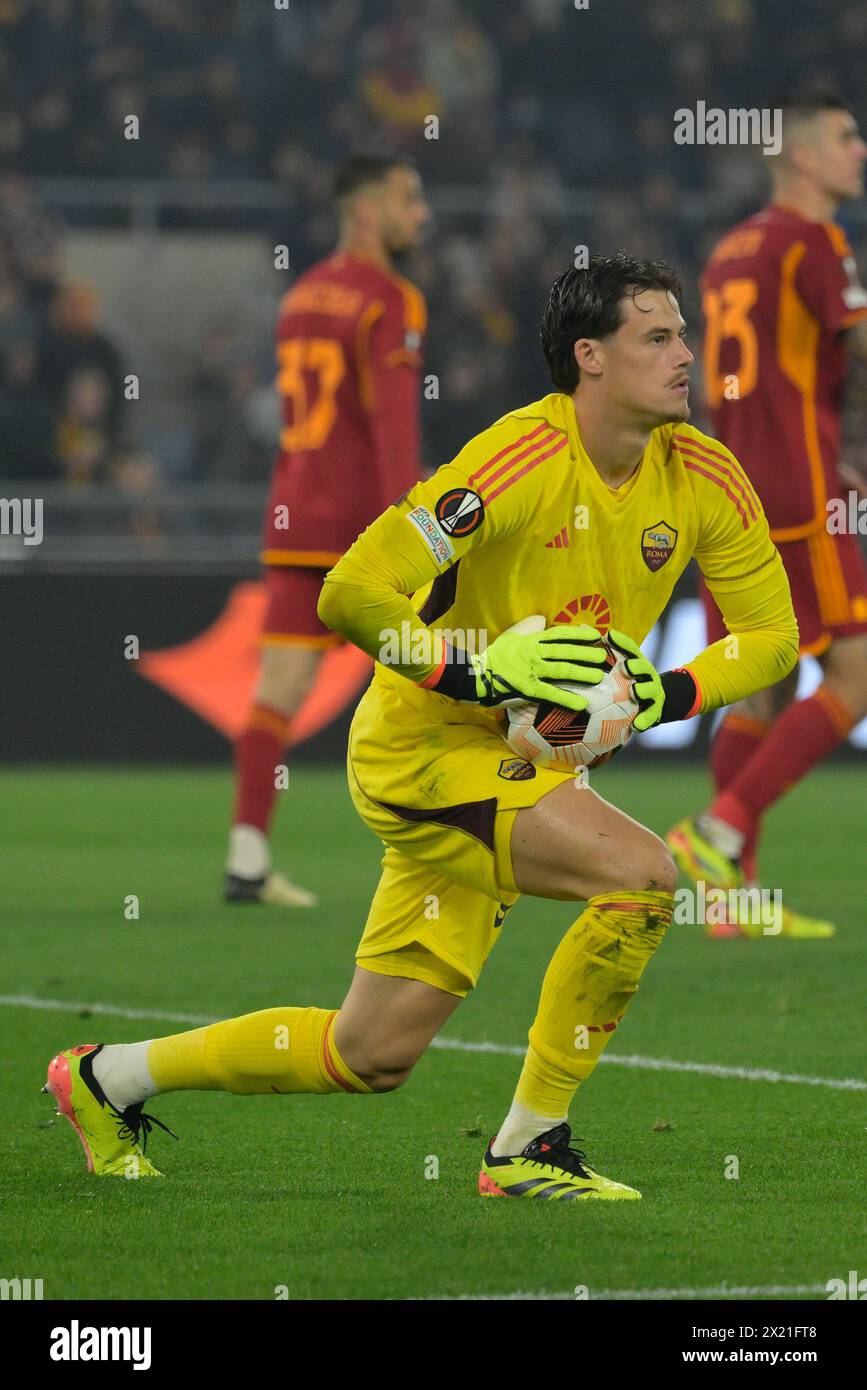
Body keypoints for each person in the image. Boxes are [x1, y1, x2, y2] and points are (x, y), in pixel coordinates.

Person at [46, 254, 798, 1197]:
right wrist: (477, 670)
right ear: (589, 357)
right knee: (643, 877)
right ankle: (528, 1147)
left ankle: (104, 1076)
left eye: (683, 333)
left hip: (517, 766)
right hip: (424, 751)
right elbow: (352, 589)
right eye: (657, 336)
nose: (686, 353)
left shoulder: (702, 475)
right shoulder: (516, 458)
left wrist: (663, 696)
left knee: (369, 1053)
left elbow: (774, 637)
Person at [667, 91, 867, 938]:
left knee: (758, 692)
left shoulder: (727, 251)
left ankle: (725, 899)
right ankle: (715, 831)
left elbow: (731, 383)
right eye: (844, 138)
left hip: (734, 490)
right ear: (797, 157)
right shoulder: (813, 241)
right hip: (802, 493)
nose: (858, 151)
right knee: (856, 679)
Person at [225, 152, 430, 906]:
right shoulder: (390, 299)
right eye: (410, 199)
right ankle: (455, 852)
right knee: (438, 682)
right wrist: (412, 532)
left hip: (293, 517)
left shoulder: (301, 295)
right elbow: (390, 425)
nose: (423, 214)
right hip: (363, 530)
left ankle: (246, 858)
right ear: (367, 211)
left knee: (275, 692)